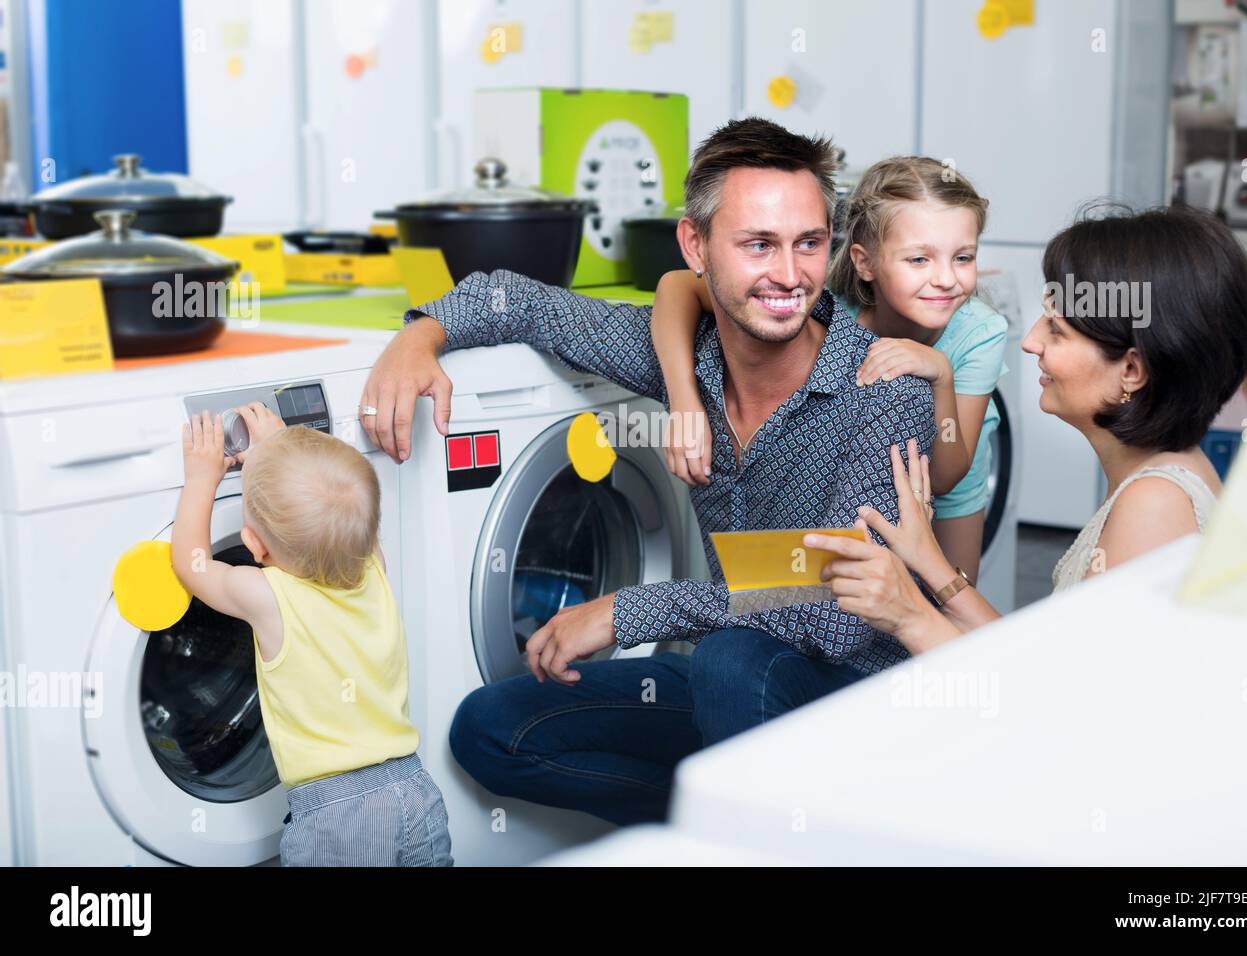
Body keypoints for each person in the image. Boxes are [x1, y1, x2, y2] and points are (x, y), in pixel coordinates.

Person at [358, 117, 935, 825]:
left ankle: (777, 830)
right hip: (736, 687)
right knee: (490, 727)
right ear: (696, 246)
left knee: (730, 660)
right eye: (759, 244)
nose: (790, 275)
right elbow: (519, 301)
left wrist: (626, 611)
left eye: (809, 243)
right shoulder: (685, 362)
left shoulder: (884, 392)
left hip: (855, 705)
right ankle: (722, 822)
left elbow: (836, 619)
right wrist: (420, 335)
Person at [805, 204, 1247, 653]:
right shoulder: (1177, 469)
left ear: (1131, 371)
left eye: (1057, 331)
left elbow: (1064, 704)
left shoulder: (1154, 505)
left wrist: (909, 615)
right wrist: (929, 559)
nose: (1030, 342)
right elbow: (1039, 653)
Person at [653, 155, 1008, 581]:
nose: (947, 279)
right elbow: (677, 286)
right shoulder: (829, 308)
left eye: (963, 257)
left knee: (951, 601)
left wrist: (941, 374)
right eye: (919, 260)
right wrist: (684, 401)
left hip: (951, 477)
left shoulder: (979, 332)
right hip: (844, 473)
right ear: (865, 262)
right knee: (819, 588)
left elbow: (948, 477)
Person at [172, 404, 453, 866]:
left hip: (339, 818)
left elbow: (192, 567)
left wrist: (202, 479)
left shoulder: (267, 597)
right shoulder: (373, 568)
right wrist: (282, 447)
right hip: (415, 792)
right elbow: (344, 513)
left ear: (254, 545)